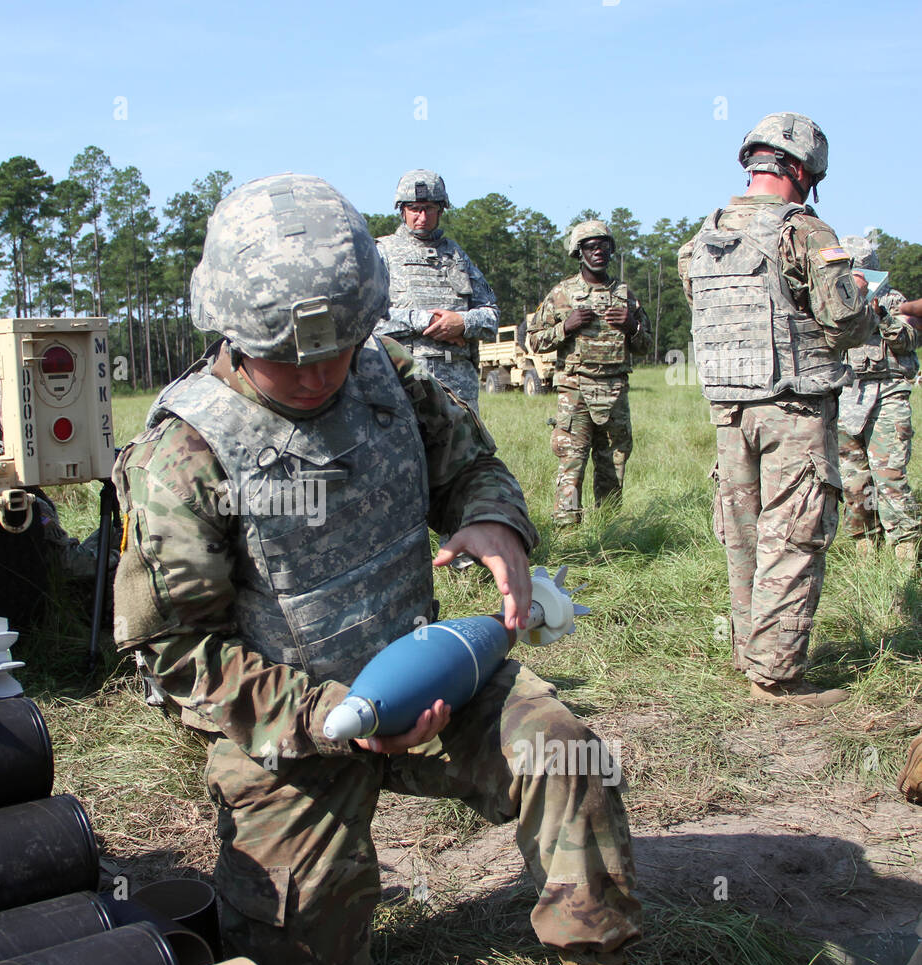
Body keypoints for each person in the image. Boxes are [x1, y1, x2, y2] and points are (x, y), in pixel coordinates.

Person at [113, 173, 641, 965]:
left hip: (430, 675)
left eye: (339, 346)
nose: (322, 373)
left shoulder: (385, 371)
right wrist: (327, 717)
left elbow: (470, 464)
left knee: (568, 758)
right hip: (290, 727)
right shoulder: (186, 457)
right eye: (292, 359)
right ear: (233, 330)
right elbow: (175, 653)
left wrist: (494, 517)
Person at [678, 112, 873, 707]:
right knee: (791, 536)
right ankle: (778, 676)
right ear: (802, 169)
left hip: (729, 410)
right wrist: (863, 301)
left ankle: (751, 654)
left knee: (742, 536)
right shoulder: (806, 231)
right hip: (793, 408)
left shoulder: (703, 238)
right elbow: (843, 322)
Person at [528, 220, 651, 526]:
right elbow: (532, 340)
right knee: (572, 462)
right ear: (579, 252)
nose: (599, 253)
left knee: (613, 464)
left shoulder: (625, 296)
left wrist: (631, 327)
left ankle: (608, 530)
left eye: (604, 246)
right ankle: (568, 537)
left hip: (615, 392)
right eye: (591, 247)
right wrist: (564, 327)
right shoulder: (562, 294)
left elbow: (646, 345)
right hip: (575, 391)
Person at [372, 169, 498, 410]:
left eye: (429, 208)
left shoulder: (457, 255)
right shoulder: (382, 253)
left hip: (459, 391)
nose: (422, 216)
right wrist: (427, 320)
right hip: (403, 383)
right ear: (402, 210)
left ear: (441, 209)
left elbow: (491, 315)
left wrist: (462, 323)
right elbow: (367, 318)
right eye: (414, 209)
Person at [837, 260, 921, 562]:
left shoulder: (894, 301)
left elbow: (911, 340)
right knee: (853, 483)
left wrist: (880, 315)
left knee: (889, 477)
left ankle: (905, 549)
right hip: (846, 395)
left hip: (887, 394)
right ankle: (866, 548)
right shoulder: (832, 300)